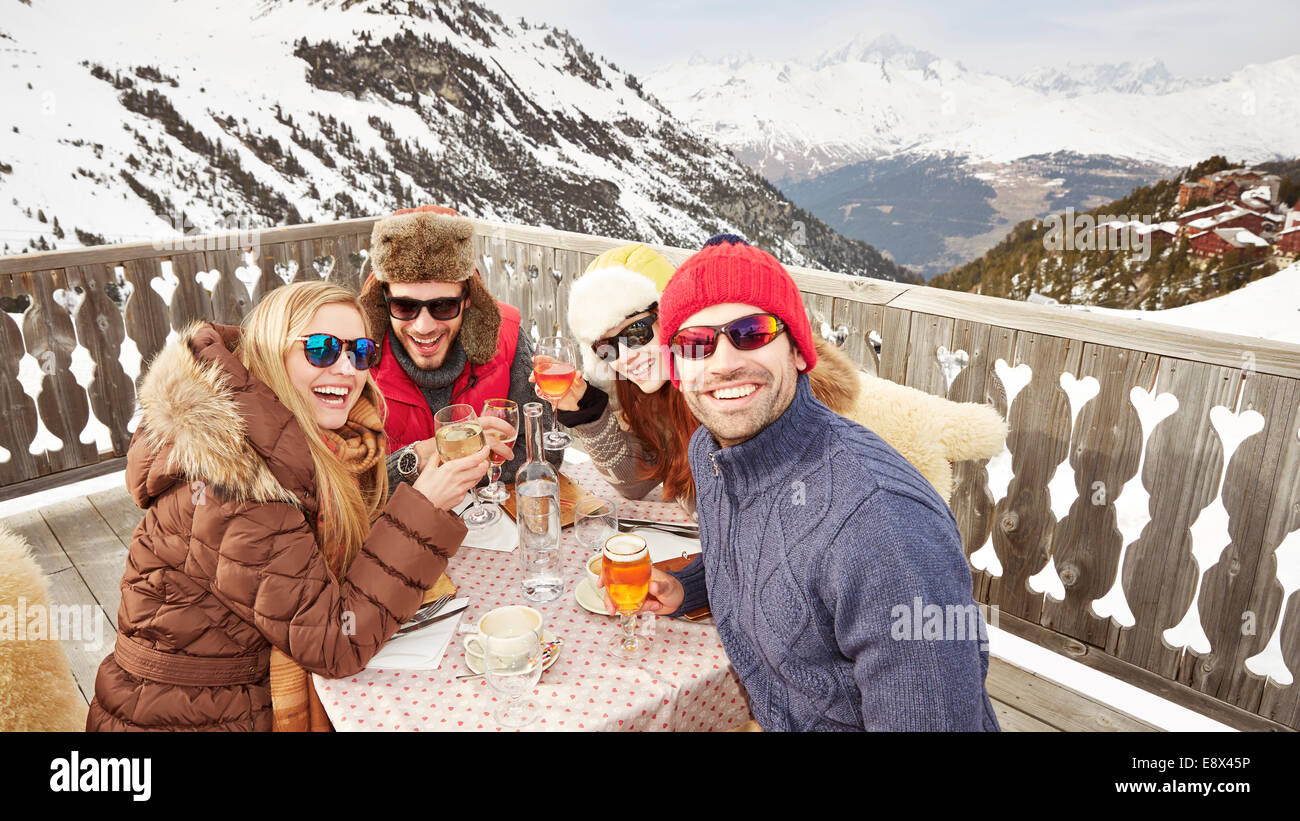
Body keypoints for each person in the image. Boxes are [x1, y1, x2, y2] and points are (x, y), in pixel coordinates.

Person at [87, 281, 505, 731]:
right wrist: (424, 505)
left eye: (361, 351)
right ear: (270, 351)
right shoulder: (236, 480)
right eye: (321, 349)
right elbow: (335, 643)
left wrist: (413, 461)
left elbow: (323, 504)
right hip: (194, 716)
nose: (347, 368)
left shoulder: (275, 431)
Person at [628, 234, 1001, 732]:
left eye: (751, 332)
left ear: (801, 352)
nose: (721, 363)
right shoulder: (713, 453)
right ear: (678, 369)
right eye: (696, 343)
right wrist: (687, 587)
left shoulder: (884, 528)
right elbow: (756, 556)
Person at [553, 244, 1007, 514]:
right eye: (606, 347)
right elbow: (637, 481)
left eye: (635, 331)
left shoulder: (765, 396)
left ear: (669, 317)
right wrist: (587, 415)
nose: (626, 356)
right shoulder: (648, 390)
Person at [359, 205, 561, 492]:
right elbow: (346, 490)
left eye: (443, 305)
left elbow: (545, 455)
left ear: (468, 299)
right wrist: (417, 458)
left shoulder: (508, 335)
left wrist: (437, 469)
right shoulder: (354, 359)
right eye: (405, 306)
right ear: (383, 303)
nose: (423, 326)